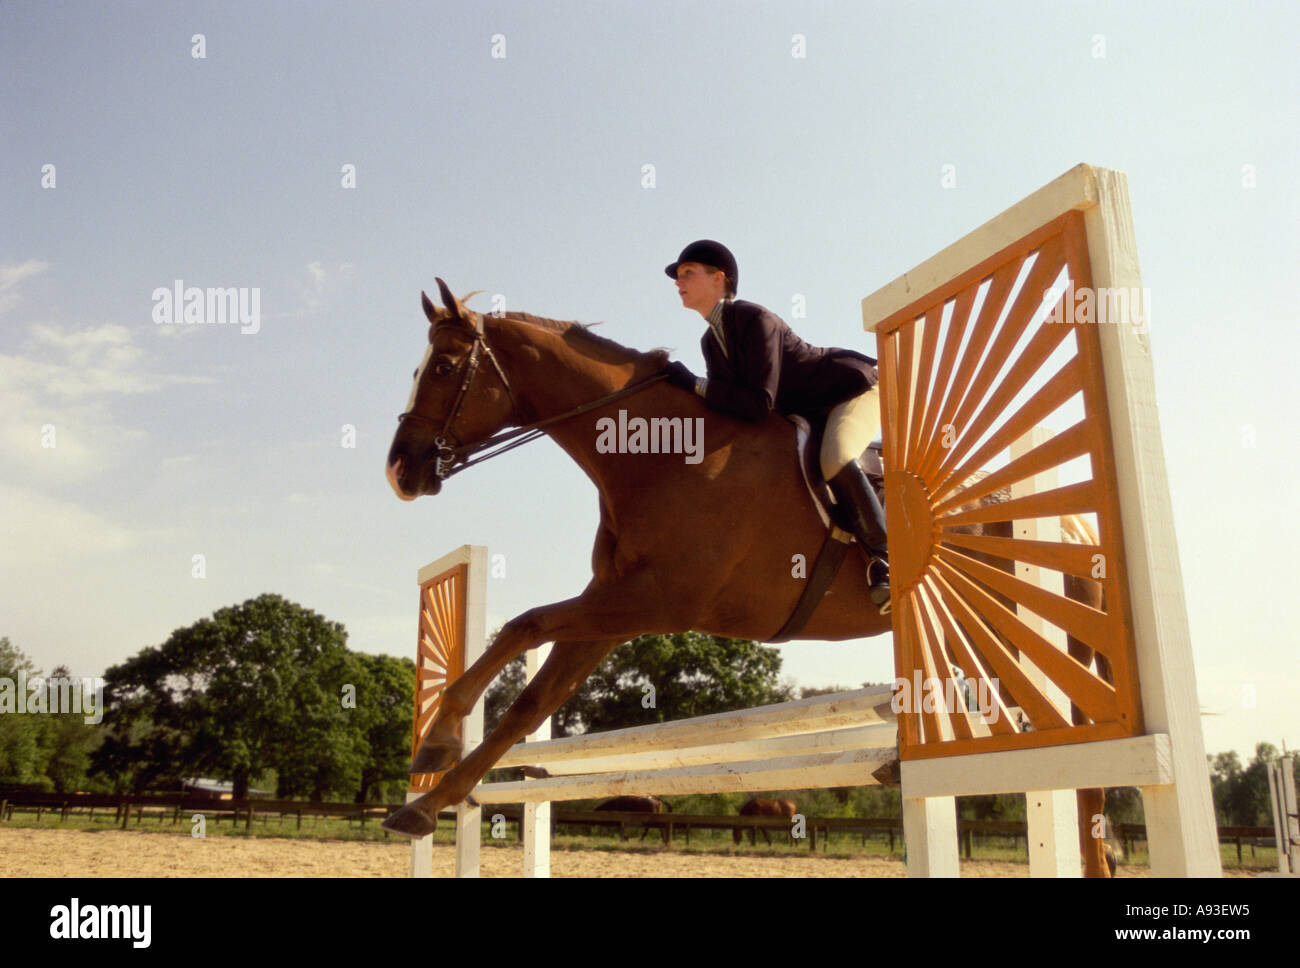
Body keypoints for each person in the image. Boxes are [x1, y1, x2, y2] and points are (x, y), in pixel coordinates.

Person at [660, 240, 891, 613]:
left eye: (688, 273)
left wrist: (694, 385)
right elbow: (730, 408)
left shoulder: (753, 319)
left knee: (835, 456)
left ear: (719, 279)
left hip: (852, 389)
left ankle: (885, 561)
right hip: (806, 410)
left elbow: (756, 403)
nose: (678, 282)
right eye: (678, 276)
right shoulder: (710, 340)